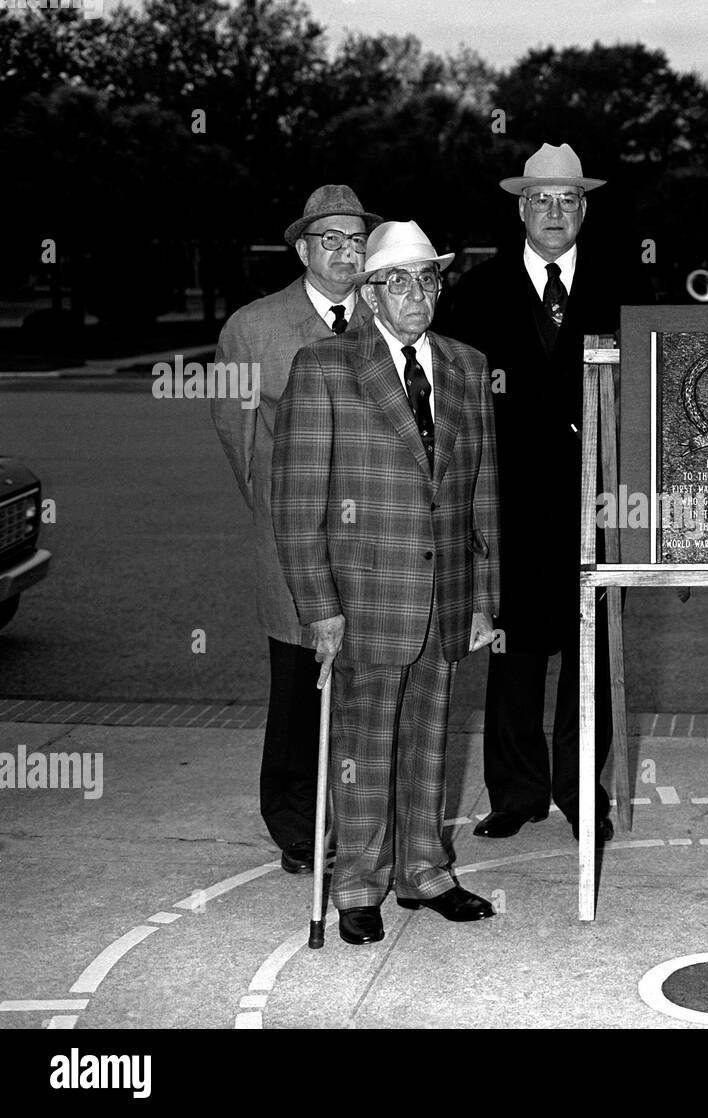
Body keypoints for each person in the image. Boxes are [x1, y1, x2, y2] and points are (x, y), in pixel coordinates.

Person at [271, 220, 500, 945]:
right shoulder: (325, 367)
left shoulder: (467, 366)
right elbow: (298, 503)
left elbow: (482, 492)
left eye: (427, 279)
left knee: (430, 739)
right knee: (363, 749)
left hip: (446, 593)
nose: (415, 294)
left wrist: (484, 600)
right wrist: (320, 608)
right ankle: (357, 884)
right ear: (370, 293)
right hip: (365, 596)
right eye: (397, 281)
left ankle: (424, 871)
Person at [436, 142, 647, 842]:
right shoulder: (476, 293)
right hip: (506, 504)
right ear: (520, 208)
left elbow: (649, 399)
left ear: (584, 209)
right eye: (542, 200)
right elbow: (455, 407)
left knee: (593, 652)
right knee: (512, 653)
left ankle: (583, 792)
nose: (555, 212)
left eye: (568, 200)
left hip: (600, 503)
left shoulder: (626, 289)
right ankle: (516, 792)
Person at [212, 184, 380, 874]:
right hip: (294, 532)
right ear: (303, 249)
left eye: (356, 240)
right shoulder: (253, 328)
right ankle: (296, 824)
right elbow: (238, 438)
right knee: (298, 681)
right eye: (330, 240)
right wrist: (281, 515)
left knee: (371, 681)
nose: (345, 253)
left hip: (375, 533)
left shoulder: (388, 312)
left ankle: (365, 814)